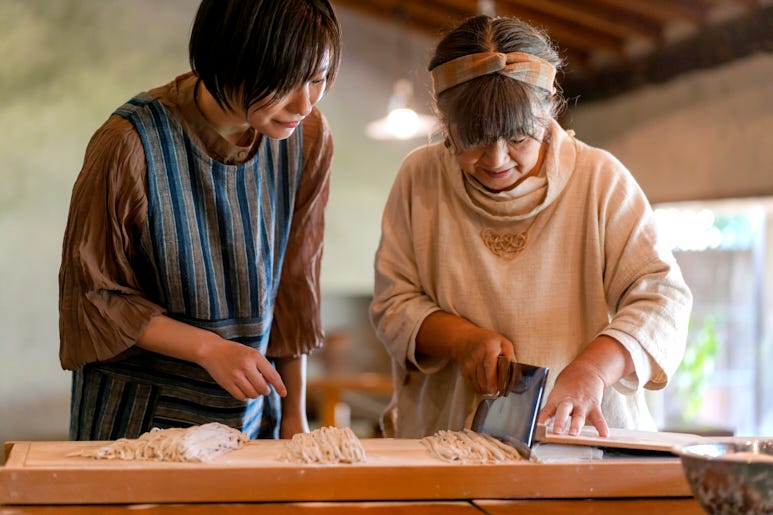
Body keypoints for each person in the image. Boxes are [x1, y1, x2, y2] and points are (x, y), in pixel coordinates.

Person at [369, 15, 692, 439]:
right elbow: (393, 302)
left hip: (581, 442)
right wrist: (461, 341)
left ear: (548, 107)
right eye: (474, 139)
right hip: (448, 441)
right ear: (445, 121)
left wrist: (593, 370)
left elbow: (663, 299)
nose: (497, 160)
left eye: (519, 138)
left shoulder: (599, 179)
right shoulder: (419, 178)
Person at [59, 0, 341, 441]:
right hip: (135, 422)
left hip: (247, 420)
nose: (305, 102)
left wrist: (294, 416)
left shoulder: (307, 139)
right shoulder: (128, 144)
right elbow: (95, 295)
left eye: (318, 77)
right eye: (285, 81)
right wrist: (208, 348)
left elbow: (294, 284)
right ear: (229, 58)